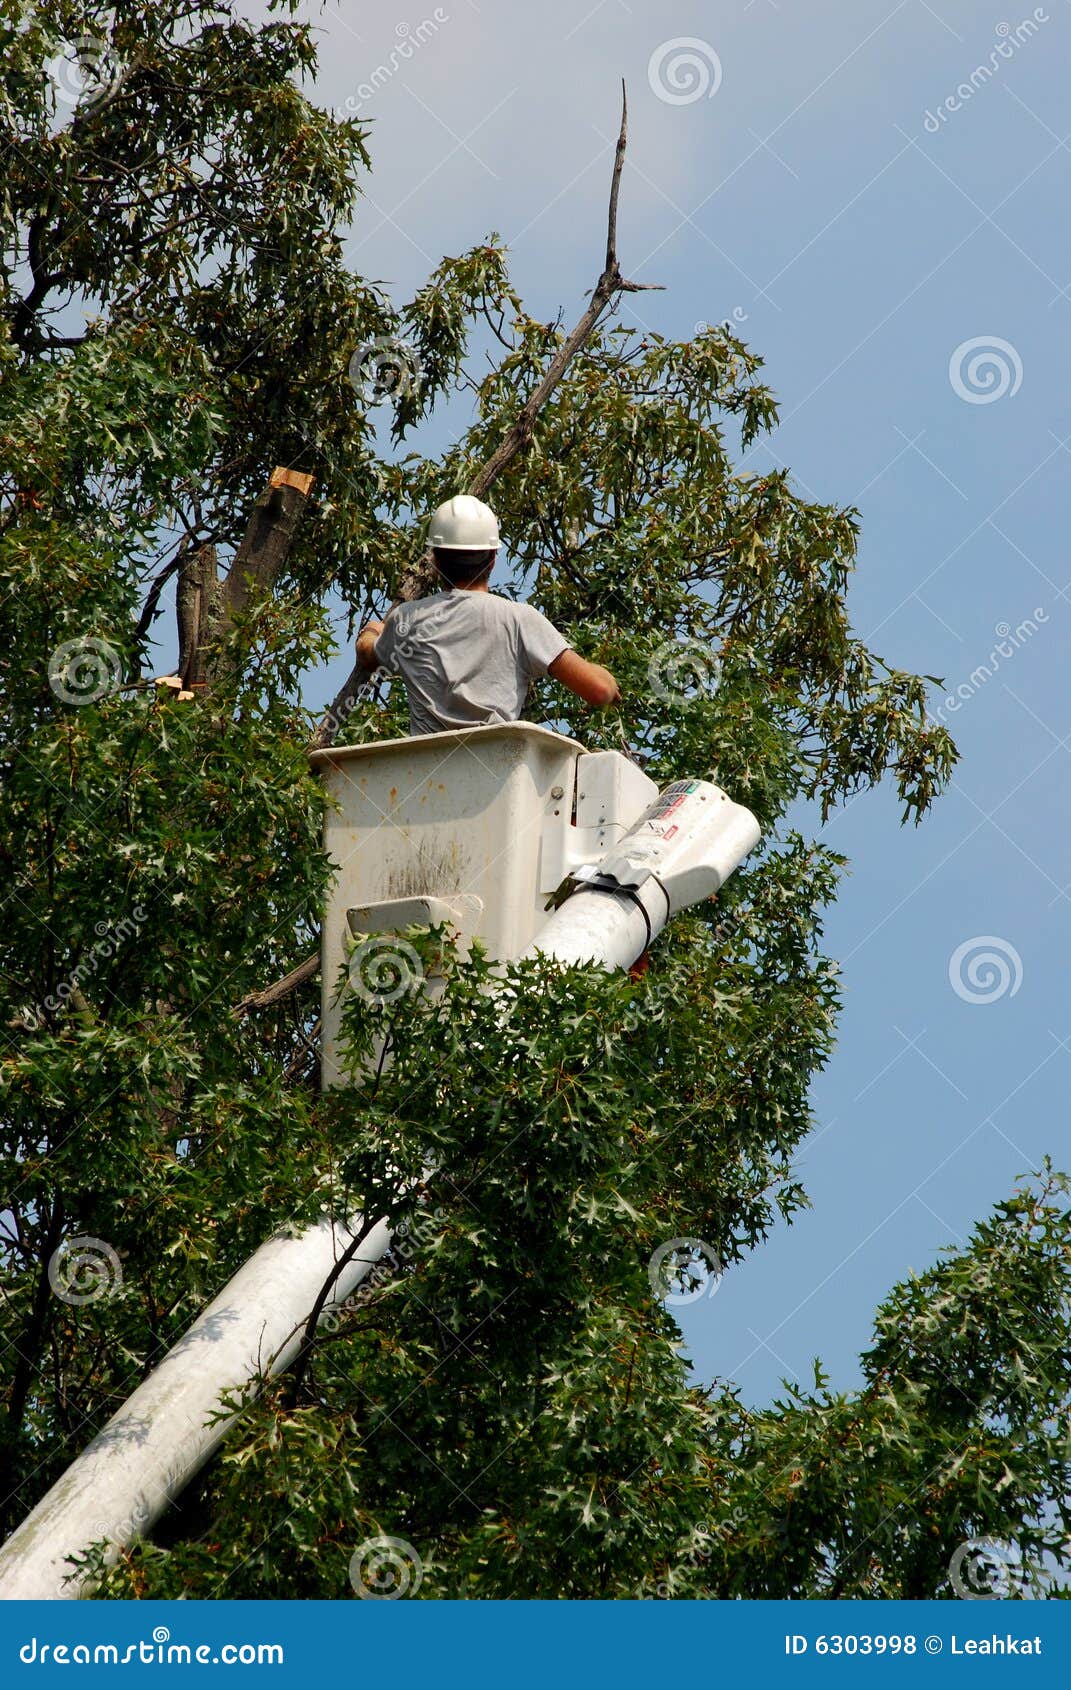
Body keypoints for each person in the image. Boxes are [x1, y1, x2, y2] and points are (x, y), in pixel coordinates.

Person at [355, 495, 620, 737]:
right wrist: (608, 681)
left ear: (434, 560)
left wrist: (373, 631)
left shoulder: (406, 619)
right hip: (496, 775)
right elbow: (599, 690)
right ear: (493, 559)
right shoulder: (519, 619)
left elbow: (369, 656)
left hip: (427, 776)